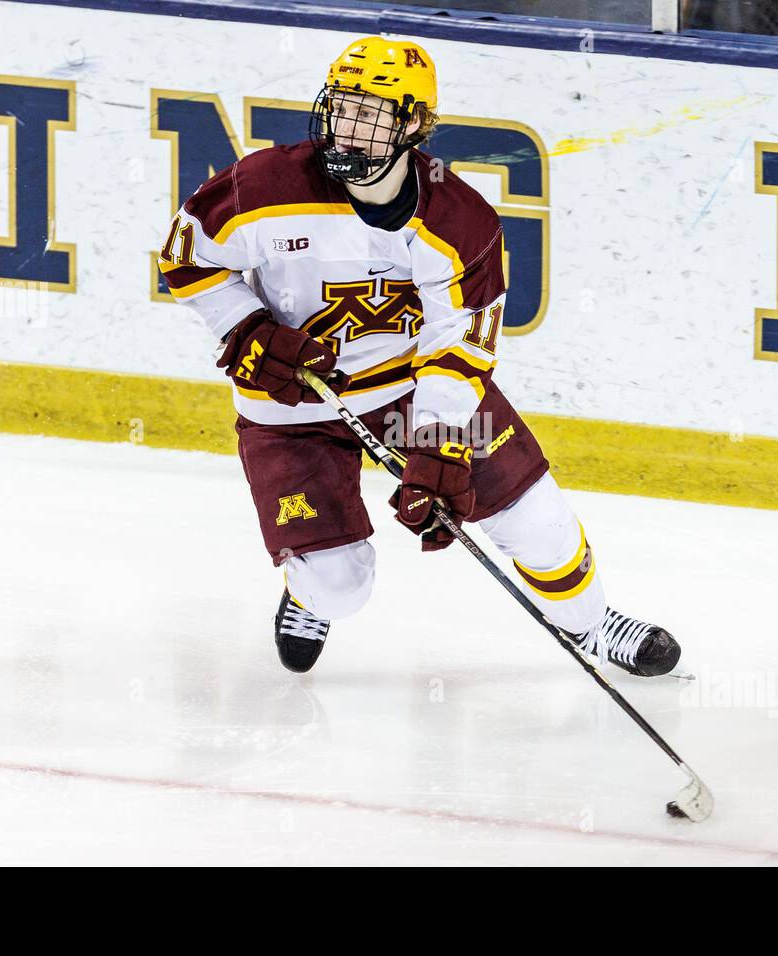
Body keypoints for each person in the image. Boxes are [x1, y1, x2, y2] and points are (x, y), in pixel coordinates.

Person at [158, 36, 680, 677]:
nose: (346, 130)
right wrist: (246, 329)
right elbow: (186, 257)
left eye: (369, 114)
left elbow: (458, 348)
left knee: (534, 516)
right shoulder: (262, 187)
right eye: (340, 108)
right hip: (291, 402)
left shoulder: (460, 222)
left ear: (413, 124)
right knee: (342, 585)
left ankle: (593, 624)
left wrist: (436, 445)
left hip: (407, 388)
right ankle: (309, 590)